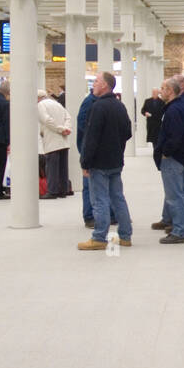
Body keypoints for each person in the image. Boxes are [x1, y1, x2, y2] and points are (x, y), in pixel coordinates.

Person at [78, 71, 133, 250]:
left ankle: (99, 237)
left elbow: (91, 138)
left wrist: (85, 162)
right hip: (115, 161)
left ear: (105, 85)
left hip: (99, 163)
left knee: (100, 200)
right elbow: (127, 132)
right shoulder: (119, 106)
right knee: (118, 198)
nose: (93, 84)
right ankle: (125, 235)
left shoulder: (98, 107)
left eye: (96, 81)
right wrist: (115, 145)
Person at [152, 77, 184, 244]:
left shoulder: (173, 110)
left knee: (175, 195)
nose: (160, 91)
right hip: (181, 156)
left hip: (174, 158)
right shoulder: (177, 107)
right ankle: (182, 228)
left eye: (163, 88)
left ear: (170, 91)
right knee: (181, 194)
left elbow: (175, 136)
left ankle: (179, 231)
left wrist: (166, 152)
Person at [37, 89, 72, 199]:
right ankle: (63, 189)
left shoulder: (40, 105)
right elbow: (68, 117)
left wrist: (59, 129)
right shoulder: (57, 104)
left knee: (51, 167)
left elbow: (46, 120)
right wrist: (66, 128)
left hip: (52, 139)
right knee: (63, 167)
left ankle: (52, 191)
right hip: (63, 140)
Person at [77, 82, 98, 227]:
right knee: (88, 183)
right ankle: (89, 215)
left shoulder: (98, 102)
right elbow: (82, 123)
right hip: (89, 148)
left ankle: (110, 213)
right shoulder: (89, 102)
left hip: (97, 148)